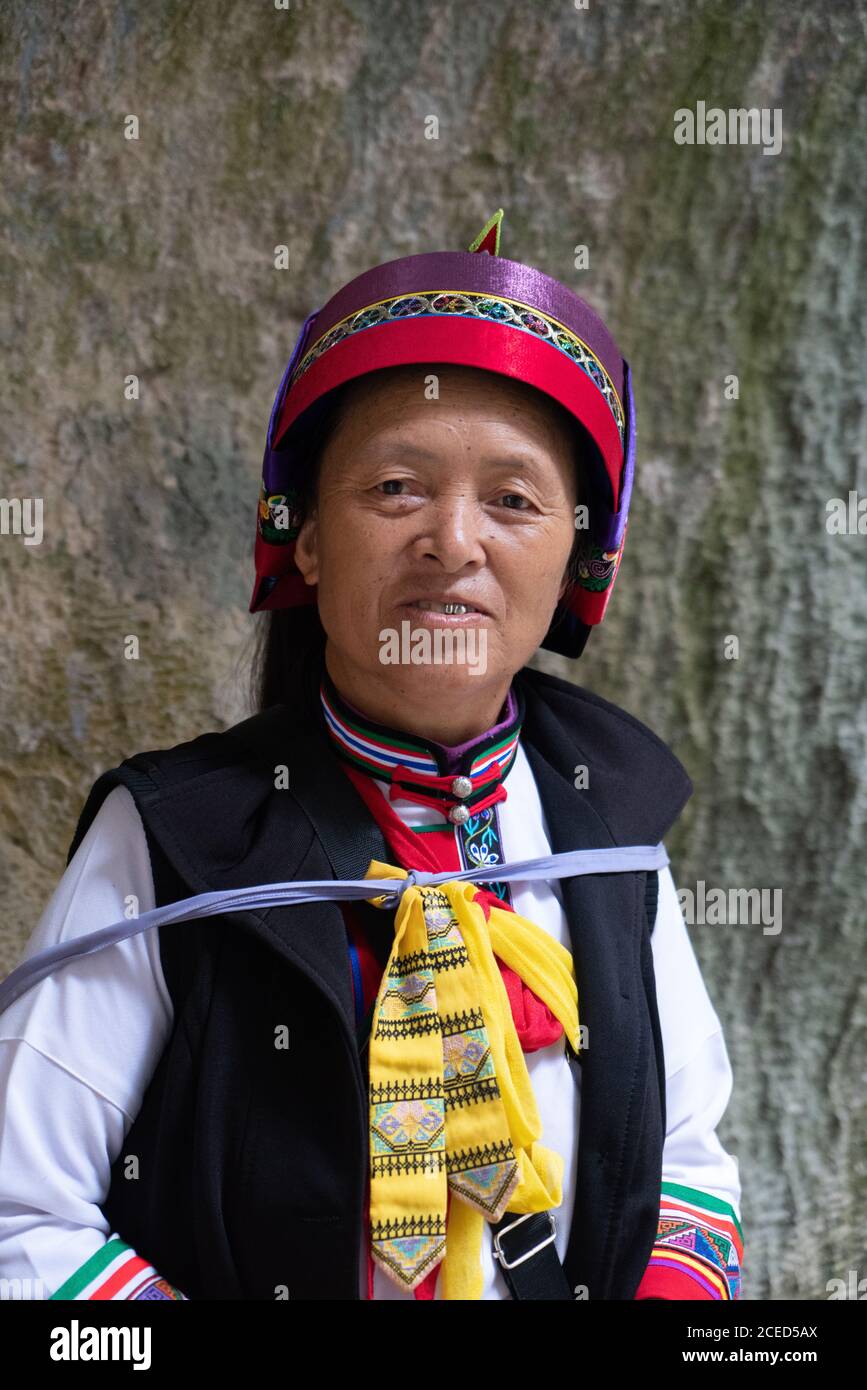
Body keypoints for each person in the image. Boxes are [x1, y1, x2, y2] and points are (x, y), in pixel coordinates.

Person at [0, 210, 743, 1301]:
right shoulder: (178, 840)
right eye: (397, 488)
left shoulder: (612, 827)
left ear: (578, 556)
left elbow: (686, 1168)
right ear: (305, 538)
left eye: (514, 500)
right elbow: (22, 1212)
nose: (454, 540)